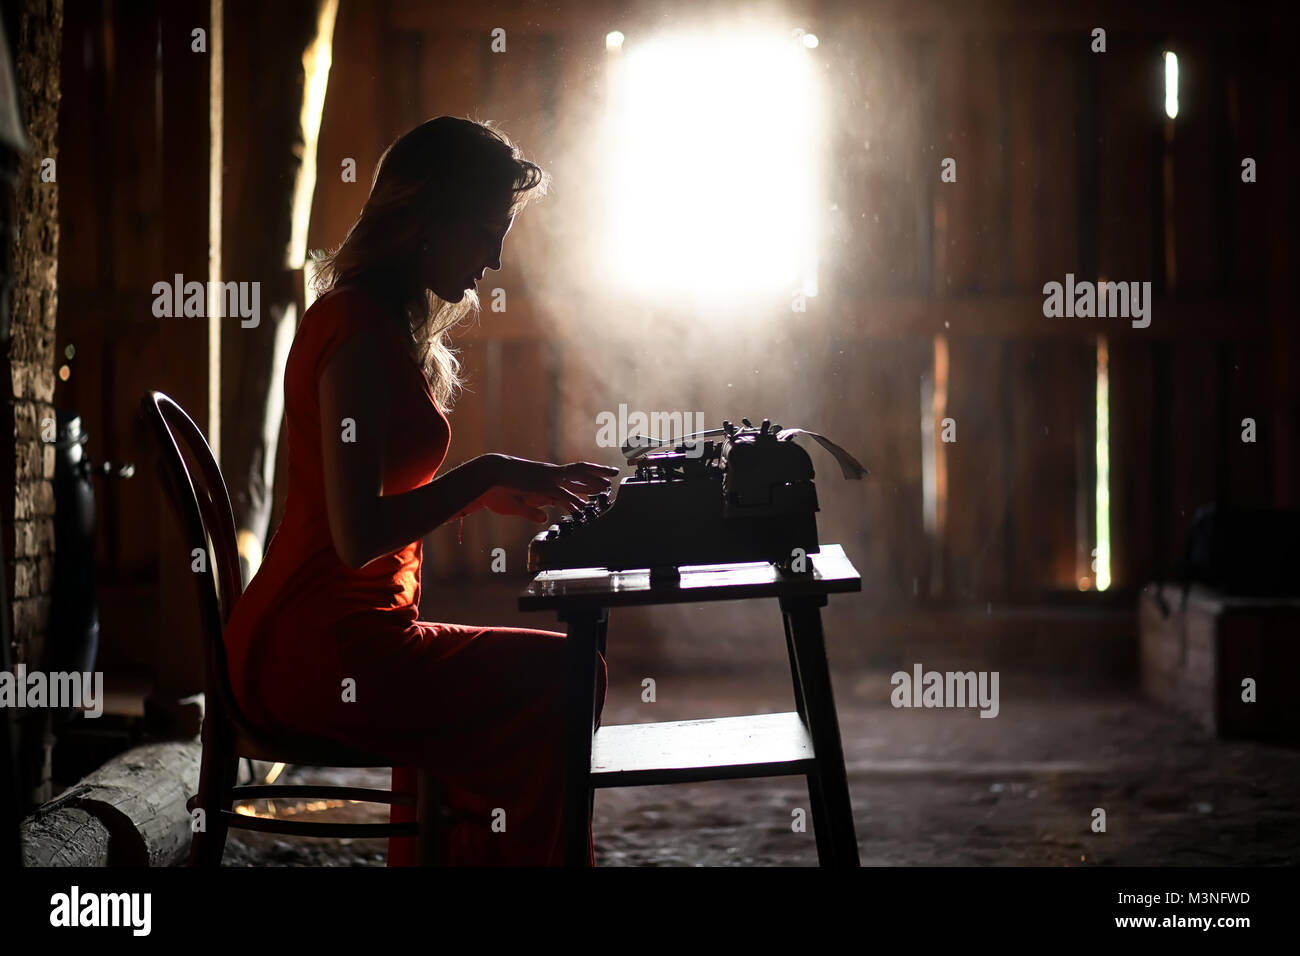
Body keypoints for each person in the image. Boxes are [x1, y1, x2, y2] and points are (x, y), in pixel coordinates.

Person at [221, 116, 619, 866]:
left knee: (528, 686)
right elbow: (358, 533)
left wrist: (476, 493)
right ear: (428, 219)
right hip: (316, 653)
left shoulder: (374, 323)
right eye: (487, 230)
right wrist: (486, 473)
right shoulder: (356, 332)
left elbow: (367, 497)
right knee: (570, 678)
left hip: (333, 640)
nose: (496, 259)